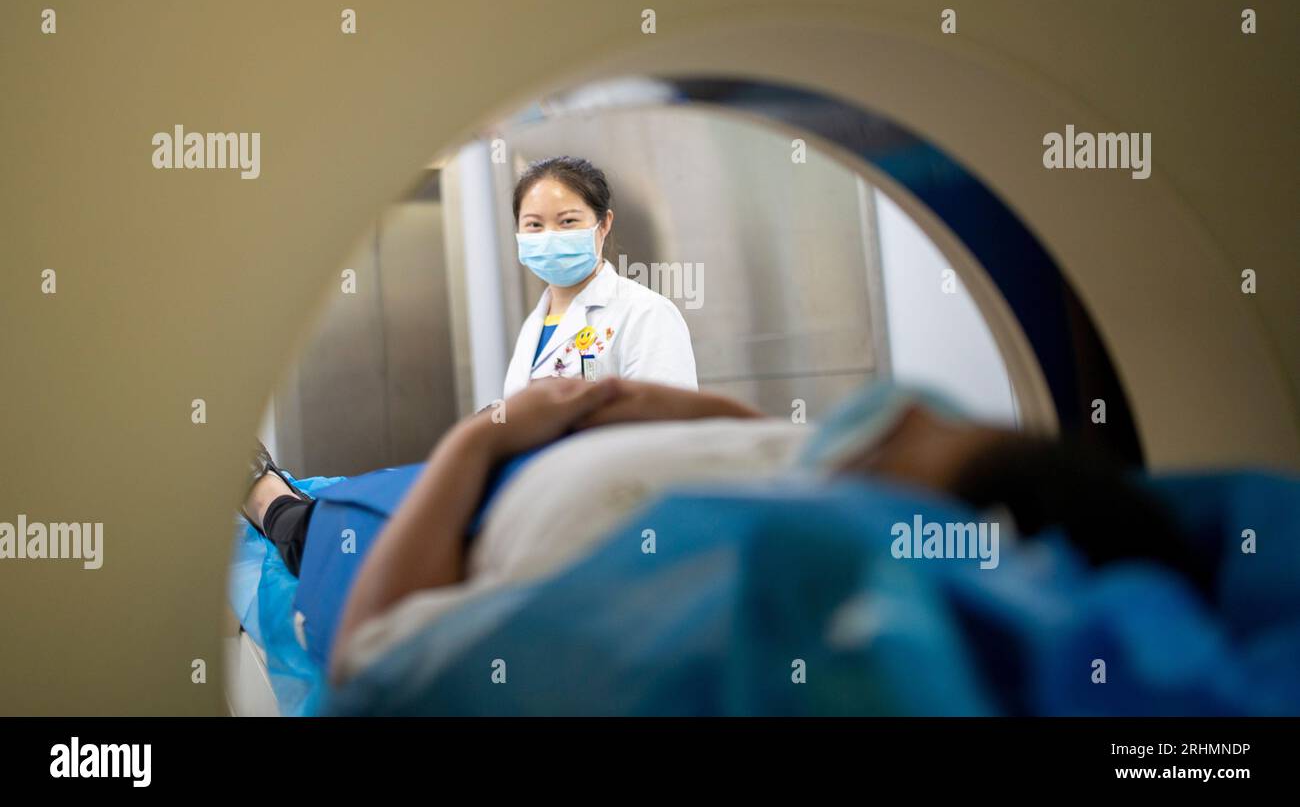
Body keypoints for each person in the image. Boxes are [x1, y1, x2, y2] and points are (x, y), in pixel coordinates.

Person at [238, 377, 1211, 687]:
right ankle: (281, 498)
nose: (905, 406)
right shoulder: (810, 467)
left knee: (321, 531)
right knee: (356, 495)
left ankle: (269, 506)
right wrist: (595, 402)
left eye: (939, 431)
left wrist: (473, 444)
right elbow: (744, 431)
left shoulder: (733, 576)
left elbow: (377, 664)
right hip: (525, 457)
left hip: (450, 526)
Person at [502, 156, 697, 397]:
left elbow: (668, 421)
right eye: (534, 225)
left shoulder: (646, 313)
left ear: (604, 224)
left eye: (567, 221)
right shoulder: (532, 327)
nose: (549, 236)